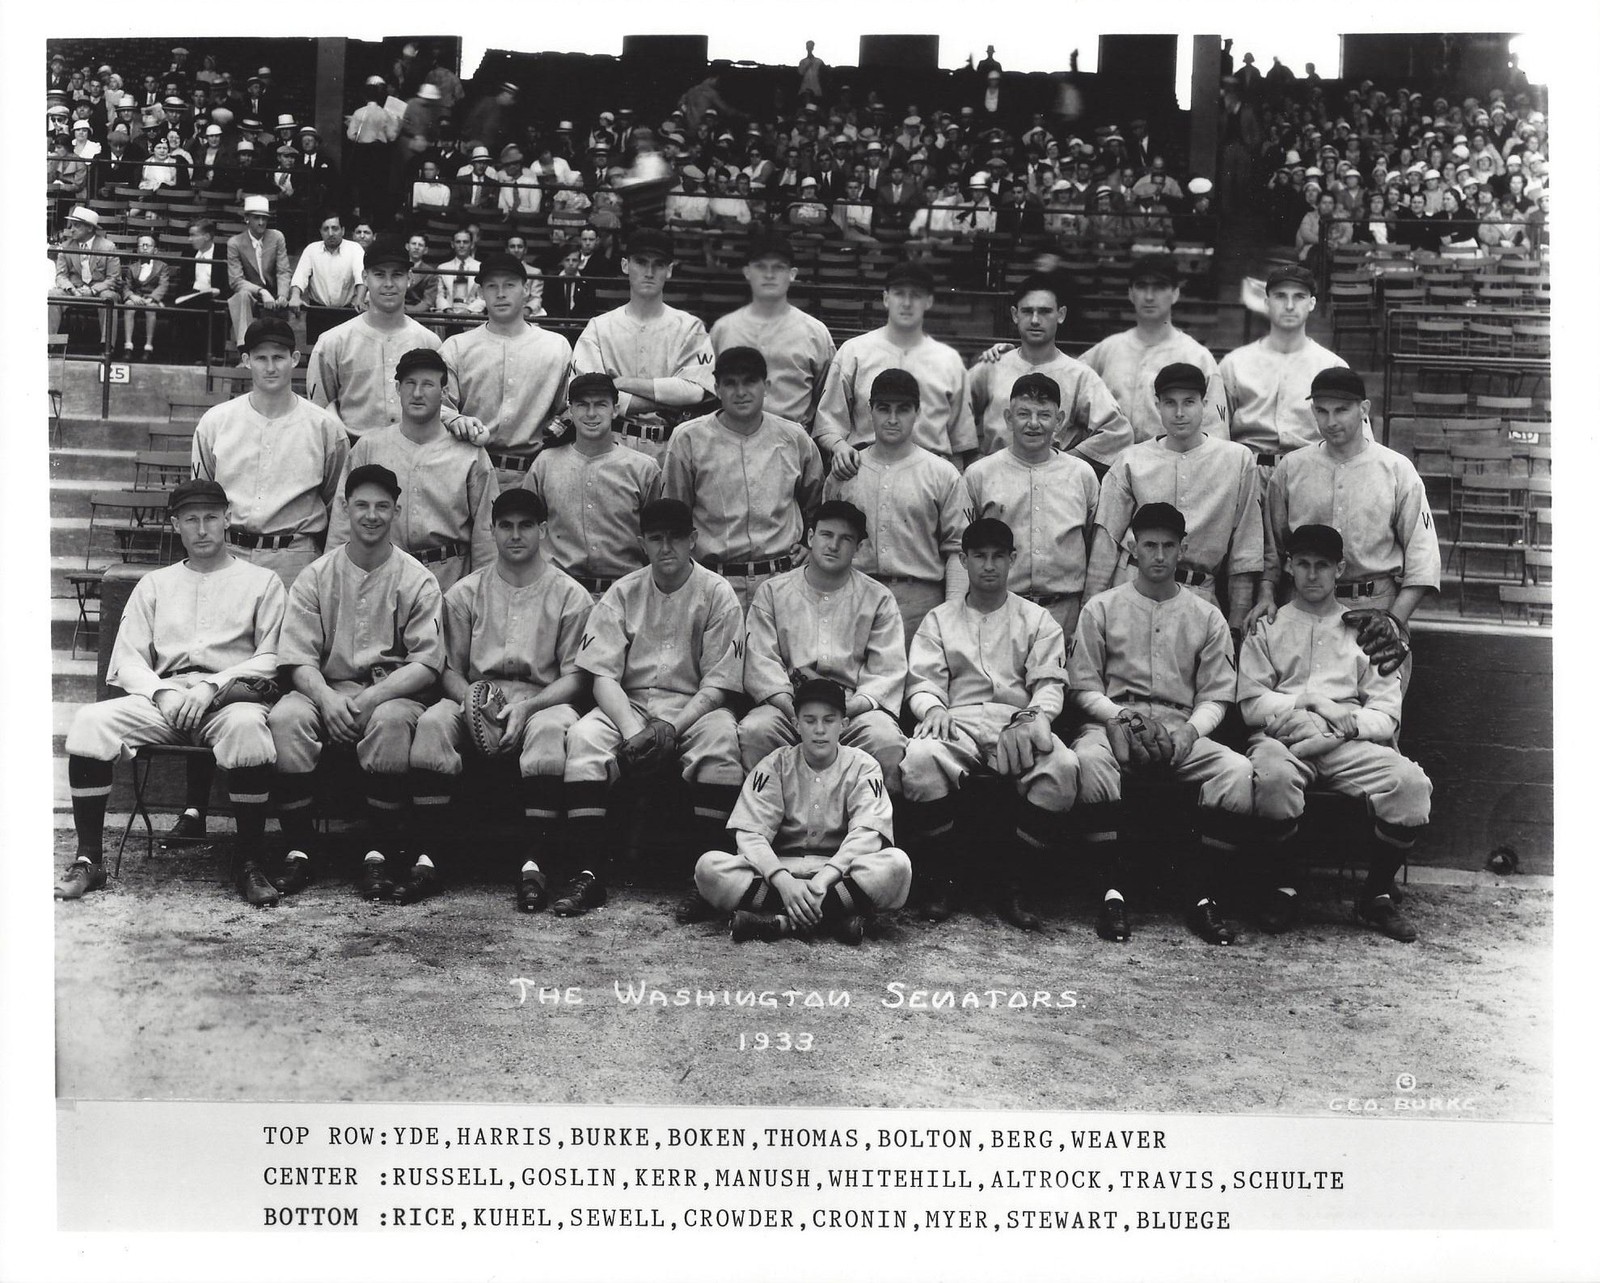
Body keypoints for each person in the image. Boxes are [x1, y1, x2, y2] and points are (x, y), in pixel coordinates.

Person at [56, 480, 287, 905]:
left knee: (249, 730)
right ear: (176, 525)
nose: (203, 529)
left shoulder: (262, 581)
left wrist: (212, 686)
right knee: (90, 722)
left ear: (227, 520)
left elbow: (272, 657)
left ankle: (250, 861)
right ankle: (89, 861)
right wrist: (161, 693)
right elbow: (126, 659)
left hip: (228, 699)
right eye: (191, 520)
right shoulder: (155, 584)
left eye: (211, 518)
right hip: (165, 700)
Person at [1068, 502, 1254, 946]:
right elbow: (1082, 687)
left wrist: (1190, 732)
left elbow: (1215, 695)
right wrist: (1119, 716)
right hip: (1113, 721)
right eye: (1148, 545)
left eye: (1168, 546)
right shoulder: (1103, 607)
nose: (1158, 555)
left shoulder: (1205, 613)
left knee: (1238, 773)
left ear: (1182, 549)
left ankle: (1203, 896)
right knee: (1088, 762)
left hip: (1179, 725)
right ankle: (1111, 894)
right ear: (1132, 547)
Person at [1238, 523, 1432, 942]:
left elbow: (1386, 711)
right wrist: (1306, 703)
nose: (1312, 575)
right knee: (1272, 778)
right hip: (1283, 736)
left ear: (1340, 569)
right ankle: (1284, 886)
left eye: (1322, 565)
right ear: (1288, 566)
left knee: (1411, 784)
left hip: (1348, 741)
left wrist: (1343, 731)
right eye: (1303, 564)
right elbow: (1252, 704)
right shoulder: (1269, 625)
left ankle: (1376, 894)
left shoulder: (1364, 627)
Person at [553, 498, 745, 919]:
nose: (666, 548)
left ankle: (707, 881)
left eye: (676, 538)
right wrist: (629, 730)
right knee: (585, 738)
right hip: (631, 704)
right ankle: (586, 873)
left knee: (722, 742)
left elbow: (718, 684)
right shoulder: (624, 591)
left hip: (692, 707)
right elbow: (602, 674)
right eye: (656, 538)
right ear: (642, 543)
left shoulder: (717, 593)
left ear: (692, 540)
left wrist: (671, 729)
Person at [408, 489, 594, 910]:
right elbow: (447, 669)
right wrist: (473, 702)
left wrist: (528, 708)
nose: (515, 535)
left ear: (543, 530)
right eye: (506, 525)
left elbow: (577, 677)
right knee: (432, 724)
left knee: (549, 732)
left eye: (526, 525)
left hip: (542, 698)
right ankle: (428, 858)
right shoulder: (465, 592)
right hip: (476, 695)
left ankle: (535, 864)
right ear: (492, 531)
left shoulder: (570, 594)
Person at [267, 464, 446, 902]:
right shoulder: (316, 575)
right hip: (328, 688)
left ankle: (378, 852)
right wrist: (326, 699)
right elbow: (296, 658)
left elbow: (427, 663)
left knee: (389, 721)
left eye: (382, 506)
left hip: (394, 692)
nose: (371, 515)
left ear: (396, 511)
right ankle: (299, 849)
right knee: (288, 717)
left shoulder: (416, 578)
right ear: (345, 508)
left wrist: (372, 697)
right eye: (361, 505)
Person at [900, 517, 1076, 929]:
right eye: (979, 556)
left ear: (1013, 559)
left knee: (1062, 767)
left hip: (1014, 722)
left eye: (999, 556)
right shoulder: (939, 619)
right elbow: (923, 683)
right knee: (920, 758)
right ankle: (945, 878)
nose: (989, 566)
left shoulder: (1036, 620)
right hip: (956, 722)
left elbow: (1050, 685)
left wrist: (1034, 717)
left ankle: (1014, 882)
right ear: (963, 560)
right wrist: (932, 709)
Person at [1251, 368, 1440, 681]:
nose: (1331, 421)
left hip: (1373, 609)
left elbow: (1423, 560)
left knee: (1373, 720)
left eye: (1342, 410)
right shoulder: (1291, 468)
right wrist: (1267, 595)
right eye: (1322, 411)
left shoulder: (1395, 469)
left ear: (1363, 409)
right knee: (1300, 712)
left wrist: (1394, 621)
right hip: (1303, 605)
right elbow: (1275, 550)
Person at [697, 676, 912, 944]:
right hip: (783, 867)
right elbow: (750, 835)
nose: (819, 729)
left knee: (897, 865)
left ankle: (782, 922)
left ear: (843, 725)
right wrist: (783, 881)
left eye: (829, 720)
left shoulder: (863, 766)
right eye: (810, 720)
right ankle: (834, 918)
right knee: (709, 867)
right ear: (796, 725)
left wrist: (823, 880)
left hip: (838, 873)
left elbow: (867, 834)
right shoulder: (775, 764)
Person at [739, 499, 908, 789]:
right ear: (810, 537)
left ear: (858, 548)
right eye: (827, 535)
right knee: (756, 730)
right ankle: (766, 819)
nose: (834, 545)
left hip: (852, 712)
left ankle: (872, 824)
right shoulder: (773, 592)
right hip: (788, 706)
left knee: (886, 739)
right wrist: (795, 711)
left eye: (846, 539)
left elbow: (885, 671)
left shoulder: (877, 598)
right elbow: (761, 662)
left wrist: (846, 711)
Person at [1087, 363, 1266, 636]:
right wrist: (1091, 611)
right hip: (1132, 587)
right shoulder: (1132, 459)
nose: (1180, 413)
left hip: (1198, 595)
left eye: (1189, 402)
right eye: (1170, 403)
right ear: (1157, 405)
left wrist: (1237, 622)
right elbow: (1106, 543)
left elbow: (1245, 549)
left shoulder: (1237, 460)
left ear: (1205, 403)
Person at [661, 346, 825, 610]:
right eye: (730, 383)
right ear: (716, 388)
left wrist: (809, 542)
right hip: (713, 582)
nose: (740, 392)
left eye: (750, 381)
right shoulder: (688, 439)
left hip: (783, 579)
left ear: (766, 385)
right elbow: (674, 512)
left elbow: (817, 502)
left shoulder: (794, 438)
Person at [327, 348, 498, 591]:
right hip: (382, 575)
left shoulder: (469, 454)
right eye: (409, 383)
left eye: (428, 384)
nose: (417, 393)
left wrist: (480, 591)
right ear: (397, 388)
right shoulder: (370, 447)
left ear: (444, 392)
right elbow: (343, 521)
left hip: (450, 577)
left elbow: (486, 532)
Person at [823, 370, 971, 641]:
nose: (892, 419)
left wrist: (951, 614)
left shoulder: (942, 473)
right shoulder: (847, 470)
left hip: (921, 604)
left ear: (917, 412)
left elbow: (959, 550)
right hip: (854, 600)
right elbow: (826, 548)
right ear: (870, 411)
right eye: (883, 409)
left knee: (921, 683)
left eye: (903, 409)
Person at [306, 235, 486, 444]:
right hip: (354, 454)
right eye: (379, 274)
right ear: (364, 277)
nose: (389, 283)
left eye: (397, 275)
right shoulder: (333, 342)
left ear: (409, 278)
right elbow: (317, 412)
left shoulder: (429, 342)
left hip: (413, 453)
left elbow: (440, 406)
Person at [962, 373, 1100, 638]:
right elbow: (963, 548)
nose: (1033, 424)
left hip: (1065, 613)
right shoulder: (980, 475)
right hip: (997, 611)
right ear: (1008, 418)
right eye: (1024, 414)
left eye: (1044, 415)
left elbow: (1095, 547)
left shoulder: (1082, 475)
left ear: (1059, 421)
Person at [568, 228, 717, 462]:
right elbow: (589, 394)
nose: (649, 272)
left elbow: (695, 391)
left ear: (669, 270)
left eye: (658, 264)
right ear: (625, 265)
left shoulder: (691, 327)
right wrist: (668, 399)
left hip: (672, 447)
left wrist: (622, 384)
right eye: (640, 262)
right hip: (612, 444)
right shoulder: (599, 327)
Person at [814, 261, 978, 472]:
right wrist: (839, 447)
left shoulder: (949, 360)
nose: (907, 303)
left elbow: (961, 443)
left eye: (916, 295)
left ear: (928, 301)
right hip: (865, 468)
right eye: (899, 293)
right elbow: (828, 424)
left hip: (931, 473)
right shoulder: (854, 351)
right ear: (886, 298)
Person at [968, 274, 1132, 472]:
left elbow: (1118, 432)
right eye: (1027, 311)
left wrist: (1066, 462)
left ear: (1061, 314)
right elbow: (956, 411)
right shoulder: (993, 365)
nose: (1035, 320)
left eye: (1045, 312)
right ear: (1014, 314)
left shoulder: (1078, 375)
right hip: (995, 476)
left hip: (1055, 481)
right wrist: (973, 457)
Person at [439, 251, 572, 485]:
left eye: (509, 285)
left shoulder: (556, 346)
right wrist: (455, 420)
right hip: (469, 470)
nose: (500, 294)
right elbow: (440, 408)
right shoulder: (457, 346)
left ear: (526, 289)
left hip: (536, 473)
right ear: (480, 293)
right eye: (491, 286)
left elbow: (569, 409)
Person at [1078, 254, 1228, 447]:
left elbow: (1217, 431)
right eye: (1141, 287)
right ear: (1131, 293)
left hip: (1169, 464)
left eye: (1159, 287)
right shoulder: (1106, 350)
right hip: (1108, 464)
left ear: (1175, 293)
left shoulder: (1197, 357)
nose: (1149, 296)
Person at [1218, 264, 1350, 471]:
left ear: (1312, 303)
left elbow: (1353, 439)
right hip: (1247, 471)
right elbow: (1216, 433)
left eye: (1299, 296)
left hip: (1311, 472)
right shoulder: (1234, 364)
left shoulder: (1332, 366)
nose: (1289, 305)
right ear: (1266, 302)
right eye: (1280, 296)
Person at [709, 234, 836, 432]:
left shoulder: (815, 332)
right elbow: (713, 389)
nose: (769, 274)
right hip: (731, 439)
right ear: (747, 272)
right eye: (760, 266)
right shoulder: (723, 329)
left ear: (792, 273)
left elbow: (827, 400)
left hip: (793, 442)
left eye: (778, 267)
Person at [225, 193, 291, 353]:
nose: (261, 222)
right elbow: (236, 281)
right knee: (241, 296)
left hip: (274, 294)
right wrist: (261, 292)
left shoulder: (276, 237)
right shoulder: (235, 243)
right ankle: (245, 349)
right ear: (247, 218)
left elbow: (283, 270)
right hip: (251, 294)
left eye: (264, 218)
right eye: (256, 218)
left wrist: (282, 294)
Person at [289, 212, 365, 347]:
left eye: (335, 228)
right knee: (316, 356)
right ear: (320, 232)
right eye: (326, 229)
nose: (330, 233)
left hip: (346, 313)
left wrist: (359, 299)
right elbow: (300, 276)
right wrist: (295, 296)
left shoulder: (355, 249)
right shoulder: (311, 249)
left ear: (342, 230)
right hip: (318, 314)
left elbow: (361, 276)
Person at [51, 206, 120, 342]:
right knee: (52, 295)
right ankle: (49, 343)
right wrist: (72, 289)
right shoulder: (66, 246)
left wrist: (93, 290)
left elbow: (114, 278)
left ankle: (106, 347)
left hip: (98, 291)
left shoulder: (108, 247)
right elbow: (61, 275)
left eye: (76, 226)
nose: (71, 229)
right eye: (71, 225)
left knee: (110, 297)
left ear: (89, 228)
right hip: (74, 290)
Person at [116, 233, 169, 360]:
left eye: (148, 245)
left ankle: (148, 347)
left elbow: (163, 285)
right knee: (129, 306)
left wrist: (152, 298)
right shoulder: (132, 267)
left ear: (155, 250)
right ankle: (128, 346)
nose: (144, 248)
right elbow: (126, 286)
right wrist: (132, 296)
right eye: (142, 245)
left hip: (152, 298)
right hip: (137, 297)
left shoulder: (162, 266)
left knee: (151, 308)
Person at [432, 227, 483, 316]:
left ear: (472, 245)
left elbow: (483, 297)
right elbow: (439, 295)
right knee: (437, 320)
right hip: (449, 309)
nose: (461, 245)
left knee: (476, 320)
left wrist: (469, 310)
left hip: (472, 310)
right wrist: (447, 309)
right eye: (458, 242)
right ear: (452, 244)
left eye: (465, 242)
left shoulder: (480, 267)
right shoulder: (443, 267)